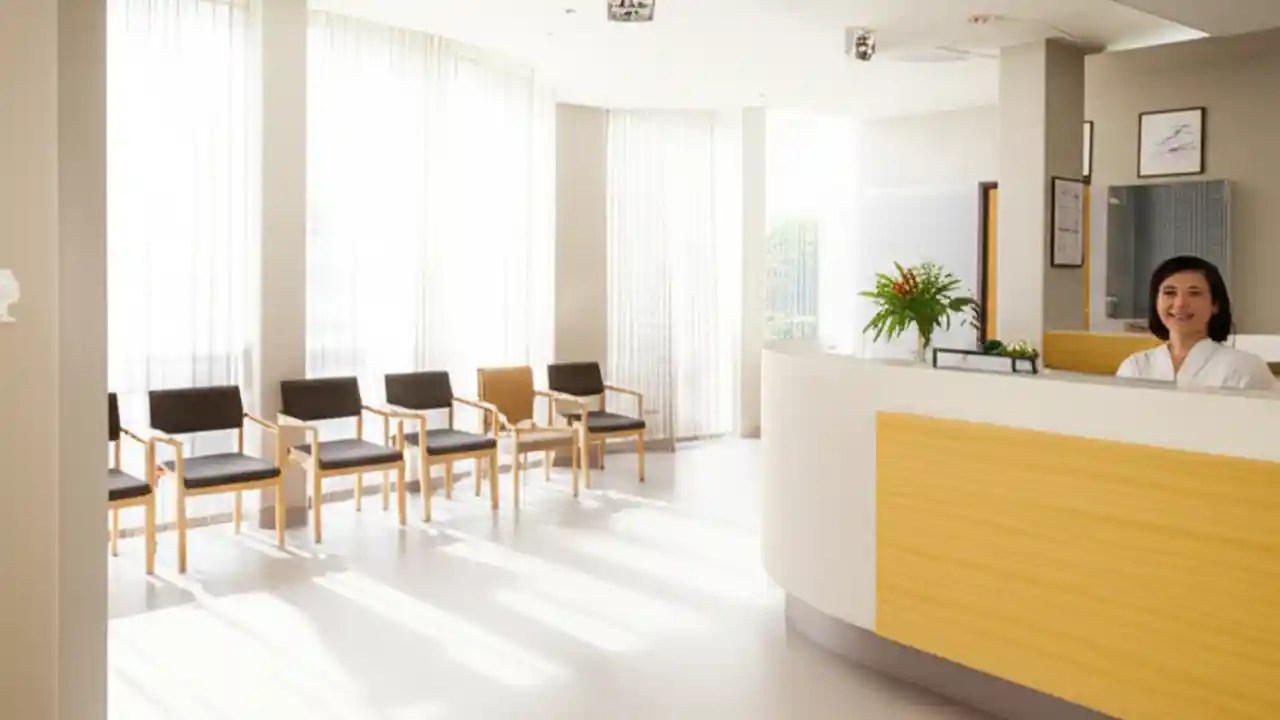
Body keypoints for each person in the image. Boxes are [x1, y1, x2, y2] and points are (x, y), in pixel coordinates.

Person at [1117, 255, 1275, 391]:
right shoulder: (1135, 367)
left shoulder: (1245, 368)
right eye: (1170, 293)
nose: (1180, 304)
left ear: (1215, 304)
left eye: (1194, 293)